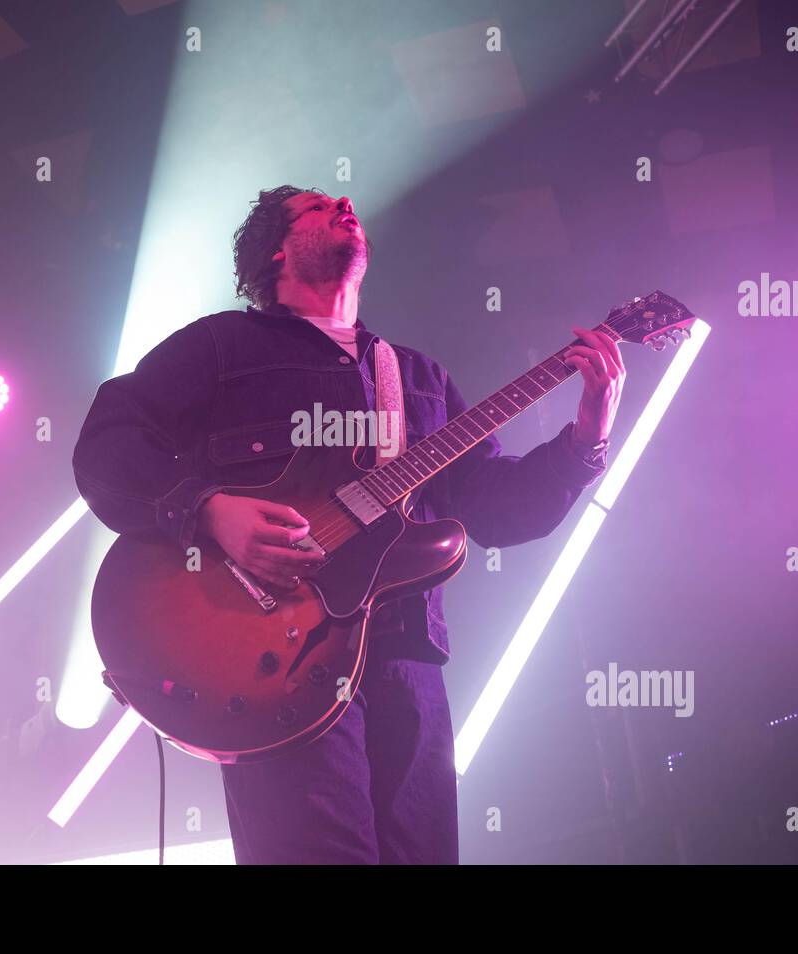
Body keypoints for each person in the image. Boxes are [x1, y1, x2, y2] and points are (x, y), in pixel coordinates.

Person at [72, 185, 625, 863]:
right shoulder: (222, 347)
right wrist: (209, 511)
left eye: (345, 203)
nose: (343, 202)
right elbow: (108, 445)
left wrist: (589, 431)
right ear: (276, 249)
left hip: (404, 660)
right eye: (316, 206)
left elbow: (500, 509)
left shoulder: (417, 377)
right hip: (273, 665)